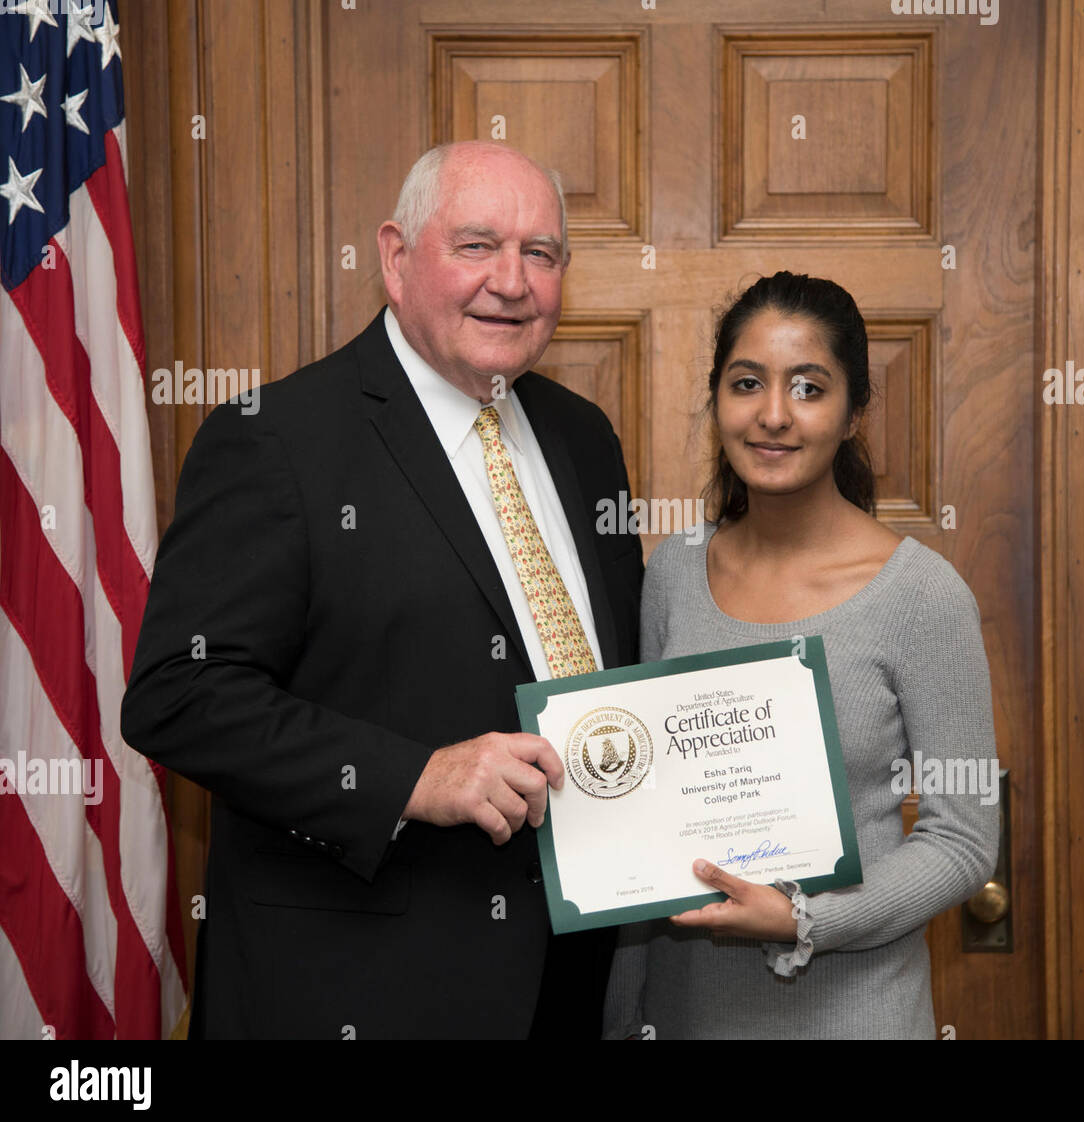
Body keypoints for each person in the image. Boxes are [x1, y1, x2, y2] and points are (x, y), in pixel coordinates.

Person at [121, 141, 644, 1039]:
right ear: (397, 258)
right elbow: (179, 697)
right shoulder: (277, 440)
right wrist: (417, 777)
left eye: (542, 254)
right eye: (477, 246)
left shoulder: (582, 436)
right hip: (359, 990)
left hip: (570, 978)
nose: (512, 283)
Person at [602, 271, 998, 1039]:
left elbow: (962, 838)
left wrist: (802, 918)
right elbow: (642, 820)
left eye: (809, 389)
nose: (773, 416)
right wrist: (622, 1020)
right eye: (747, 383)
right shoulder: (674, 574)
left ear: (854, 414)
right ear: (716, 398)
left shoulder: (922, 594)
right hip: (686, 1013)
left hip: (853, 1014)